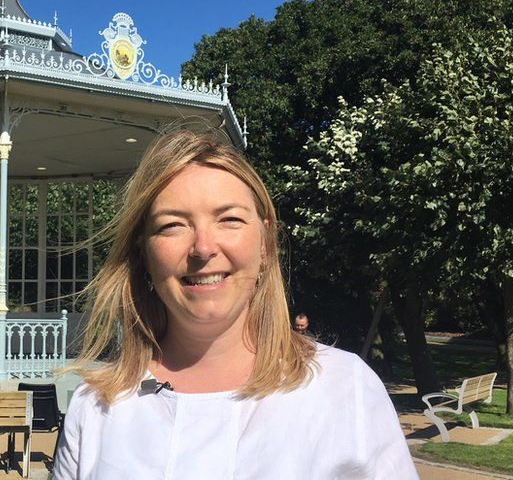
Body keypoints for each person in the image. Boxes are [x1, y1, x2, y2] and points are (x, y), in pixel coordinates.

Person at [53, 127, 415, 479]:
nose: (204, 248)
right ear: (143, 253)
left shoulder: (343, 389)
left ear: (264, 242)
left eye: (229, 219)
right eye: (172, 225)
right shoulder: (95, 406)